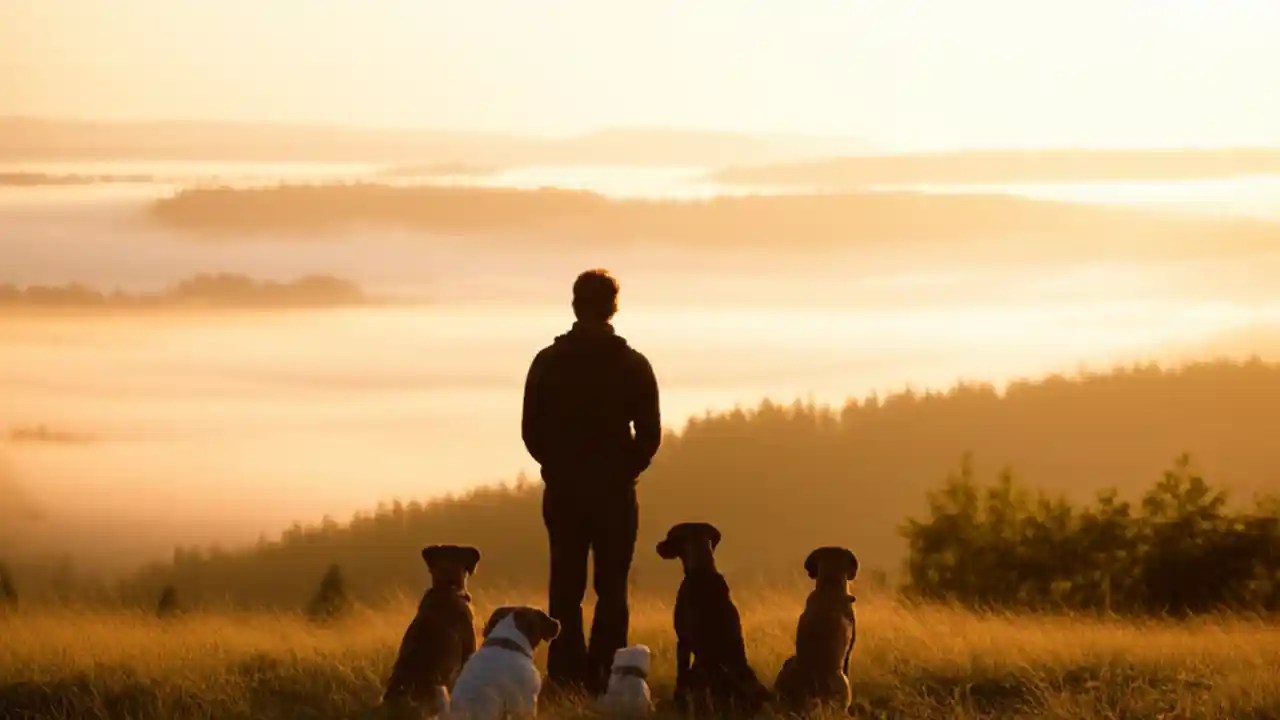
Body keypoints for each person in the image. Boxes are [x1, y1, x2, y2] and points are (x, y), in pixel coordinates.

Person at [521, 269, 661, 696]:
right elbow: (650, 436)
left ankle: (565, 678)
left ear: (574, 305)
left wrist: (558, 467)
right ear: (613, 307)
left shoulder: (547, 361)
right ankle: (606, 676)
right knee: (612, 589)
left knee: (565, 587)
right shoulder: (633, 365)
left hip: (564, 492)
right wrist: (624, 470)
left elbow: (531, 431)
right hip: (615, 495)